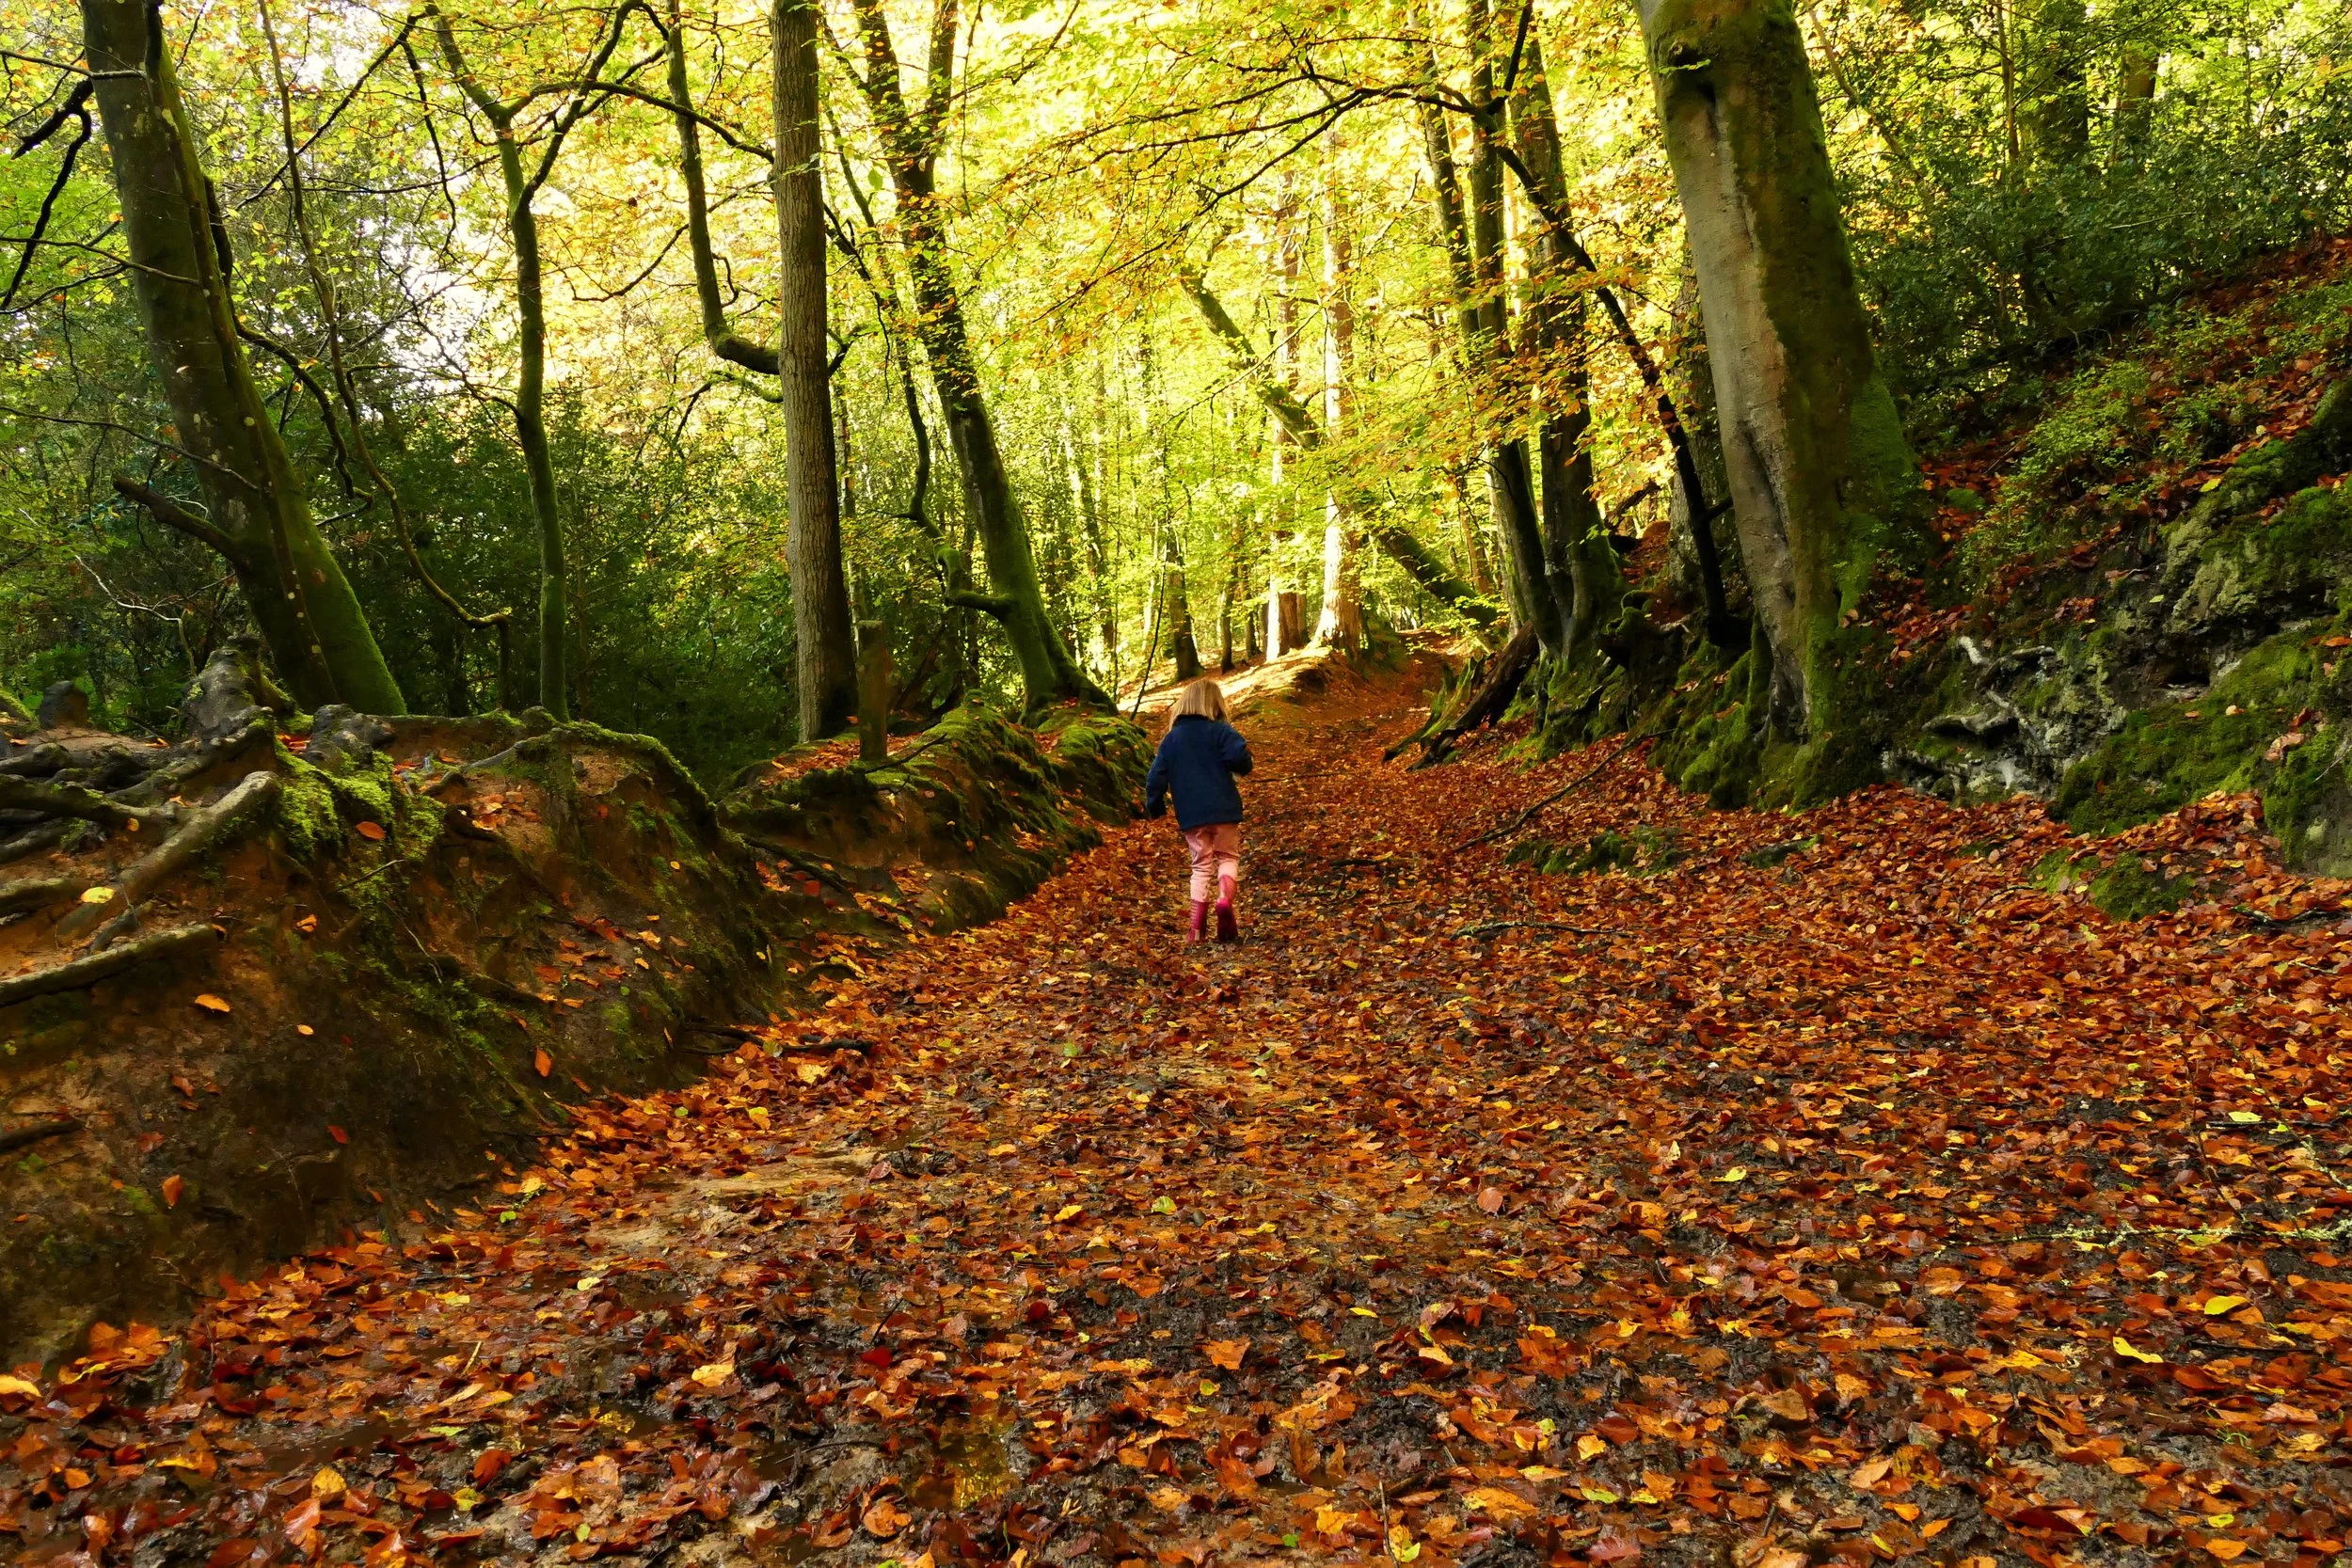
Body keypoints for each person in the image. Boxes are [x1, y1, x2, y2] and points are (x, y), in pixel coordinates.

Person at [1143, 678, 1253, 943]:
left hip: (1191, 815)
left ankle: (1196, 928)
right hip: (1224, 809)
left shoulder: (1171, 740)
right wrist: (1234, 765)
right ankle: (1225, 899)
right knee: (1228, 856)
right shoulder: (1220, 731)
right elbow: (1241, 757)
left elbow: (1155, 777)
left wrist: (1154, 805)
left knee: (1200, 865)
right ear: (1214, 704)